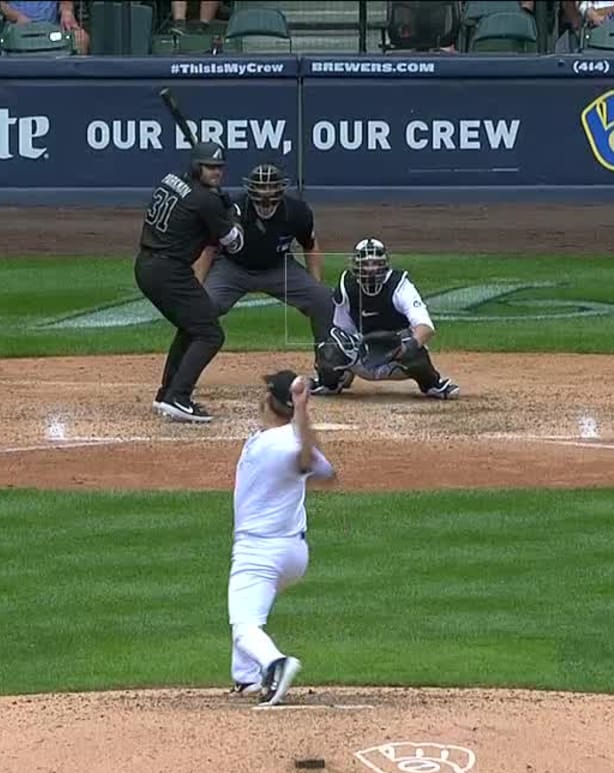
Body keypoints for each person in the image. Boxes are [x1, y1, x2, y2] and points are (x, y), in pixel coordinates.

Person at [227, 370, 334, 705]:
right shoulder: (288, 440)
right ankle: (246, 679)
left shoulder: (273, 445)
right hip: (294, 553)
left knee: (245, 625)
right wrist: (302, 416)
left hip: (260, 551)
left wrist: (301, 414)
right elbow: (325, 473)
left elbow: (303, 461)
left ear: (267, 400)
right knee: (248, 611)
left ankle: (275, 664)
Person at [197, 163, 335, 392]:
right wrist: (198, 286)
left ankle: (331, 368)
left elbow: (310, 246)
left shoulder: (297, 211)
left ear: (281, 192)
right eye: (260, 194)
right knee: (201, 307)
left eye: (271, 193)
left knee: (323, 300)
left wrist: (315, 285)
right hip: (232, 267)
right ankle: (184, 372)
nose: (266, 200)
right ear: (251, 192)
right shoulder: (232, 210)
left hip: (278, 267)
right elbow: (209, 248)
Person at [135, 141, 245, 423]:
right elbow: (234, 244)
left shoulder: (172, 180)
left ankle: (166, 393)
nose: (216, 173)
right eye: (210, 167)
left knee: (192, 326)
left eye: (220, 168)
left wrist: (218, 207)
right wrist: (232, 215)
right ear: (197, 166)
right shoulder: (207, 201)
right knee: (210, 334)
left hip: (149, 265)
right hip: (168, 271)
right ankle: (178, 397)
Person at [312, 238, 460, 400]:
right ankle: (330, 383)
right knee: (331, 345)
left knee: (415, 349)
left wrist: (405, 348)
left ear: (384, 264)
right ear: (356, 265)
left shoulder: (399, 285)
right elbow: (342, 329)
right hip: (364, 355)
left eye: (375, 263)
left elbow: (425, 327)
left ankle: (432, 385)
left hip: (396, 357)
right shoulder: (347, 286)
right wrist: (351, 355)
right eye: (366, 264)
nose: (370, 269)